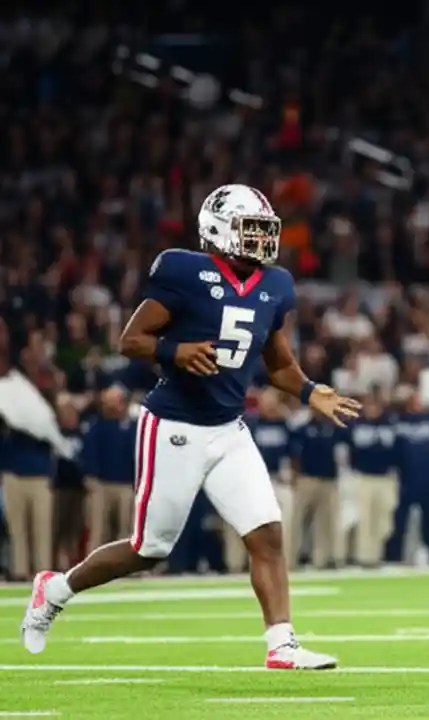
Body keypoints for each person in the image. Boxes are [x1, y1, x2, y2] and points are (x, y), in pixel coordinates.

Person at [20, 184, 361, 670]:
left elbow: (278, 363)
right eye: (251, 230)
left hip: (229, 428)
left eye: (265, 231)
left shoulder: (275, 283)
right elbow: (131, 339)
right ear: (219, 230)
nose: (261, 241)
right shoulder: (186, 271)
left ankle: (281, 644)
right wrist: (174, 351)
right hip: (175, 425)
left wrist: (311, 391)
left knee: (266, 534)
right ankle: (54, 590)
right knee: (148, 549)